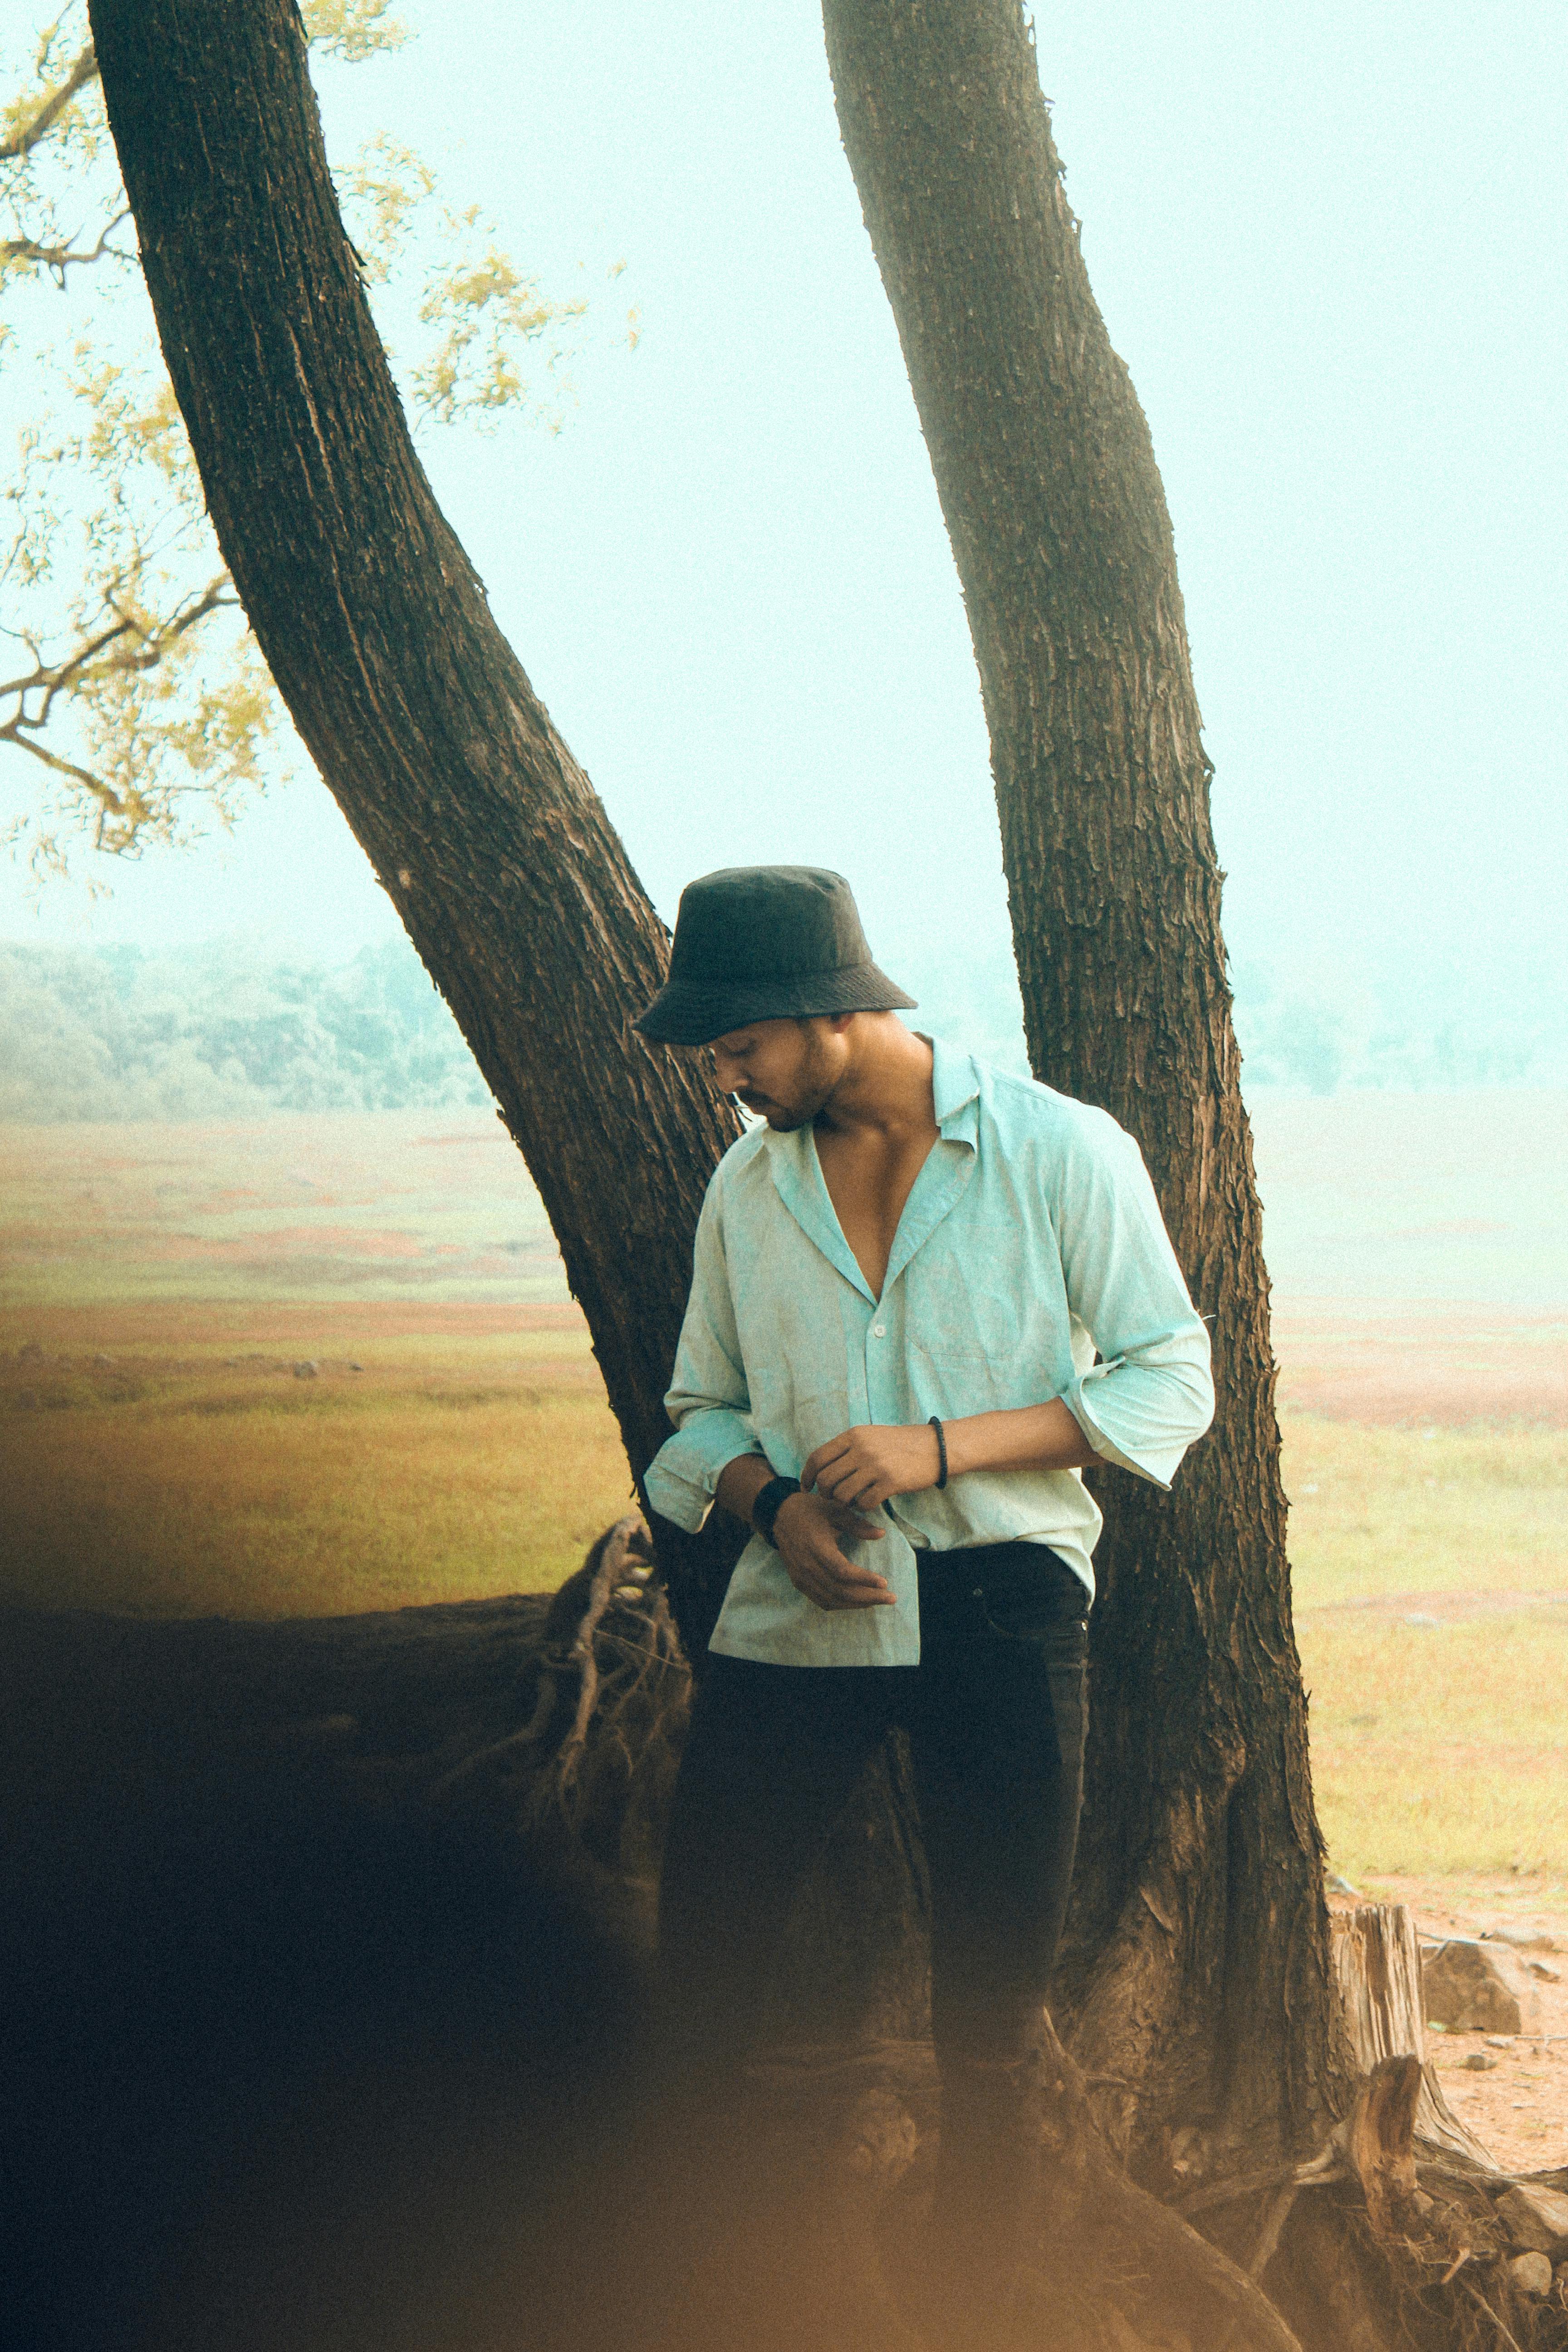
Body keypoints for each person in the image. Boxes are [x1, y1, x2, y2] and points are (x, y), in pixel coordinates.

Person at [635, 864, 1214, 2281]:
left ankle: (981, 2305)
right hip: (795, 1613)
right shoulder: (745, 1188)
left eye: (737, 1047)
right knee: (698, 1984)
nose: (726, 1080)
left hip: (1005, 1609)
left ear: (822, 1012)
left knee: (994, 2031)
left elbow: (1172, 1375)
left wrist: (936, 1449)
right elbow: (698, 1408)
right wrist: (772, 1505)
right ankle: (674, 2285)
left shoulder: (1059, 1152)